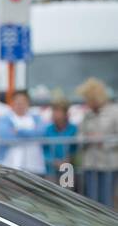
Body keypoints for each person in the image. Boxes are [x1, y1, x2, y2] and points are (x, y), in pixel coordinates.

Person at [77, 77, 118, 209]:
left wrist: (104, 141)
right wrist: (87, 138)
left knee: (106, 201)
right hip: (90, 164)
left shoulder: (114, 112)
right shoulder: (87, 115)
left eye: (88, 98)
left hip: (108, 165)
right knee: (91, 203)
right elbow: (79, 135)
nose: (86, 102)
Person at [0, 90, 46, 175]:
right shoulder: (5, 119)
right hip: (11, 166)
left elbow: (40, 133)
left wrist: (19, 131)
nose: (20, 105)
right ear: (12, 103)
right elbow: (6, 136)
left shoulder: (36, 117)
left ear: (28, 103)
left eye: (23, 102)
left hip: (34, 165)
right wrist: (30, 135)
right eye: (17, 102)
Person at [42, 95, 78, 183]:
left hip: (68, 170)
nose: (54, 113)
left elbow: (76, 149)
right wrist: (54, 161)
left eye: (58, 110)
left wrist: (68, 160)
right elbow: (44, 150)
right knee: (50, 194)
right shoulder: (48, 130)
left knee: (66, 193)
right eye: (54, 110)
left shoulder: (73, 129)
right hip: (51, 171)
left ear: (65, 113)